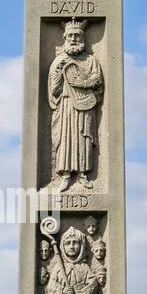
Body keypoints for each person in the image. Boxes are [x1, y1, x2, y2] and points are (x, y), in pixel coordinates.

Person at [48, 22, 103, 189]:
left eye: (77, 36)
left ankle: (83, 174)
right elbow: (53, 88)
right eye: (70, 36)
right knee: (66, 137)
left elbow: (98, 80)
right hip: (65, 104)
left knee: (83, 136)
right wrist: (58, 74)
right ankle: (65, 175)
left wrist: (83, 82)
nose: (73, 39)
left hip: (85, 105)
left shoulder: (91, 60)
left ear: (83, 39)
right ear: (65, 38)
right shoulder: (59, 61)